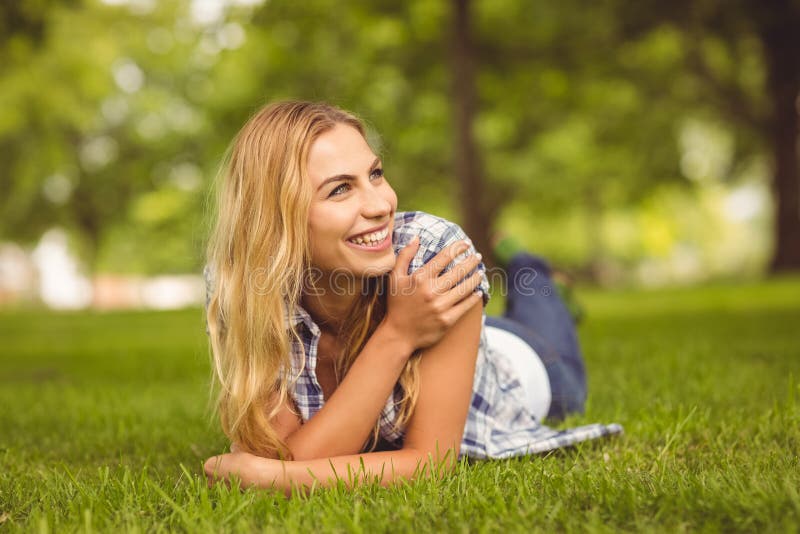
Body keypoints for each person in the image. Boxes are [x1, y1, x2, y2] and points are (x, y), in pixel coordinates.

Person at [203, 101, 621, 494]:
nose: (381, 204)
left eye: (376, 174)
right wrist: (400, 332)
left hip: (524, 364)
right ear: (276, 220)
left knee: (540, 306)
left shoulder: (433, 252)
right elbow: (289, 456)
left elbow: (430, 461)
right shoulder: (243, 288)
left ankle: (534, 271)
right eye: (339, 190)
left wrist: (276, 479)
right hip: (434, 320)